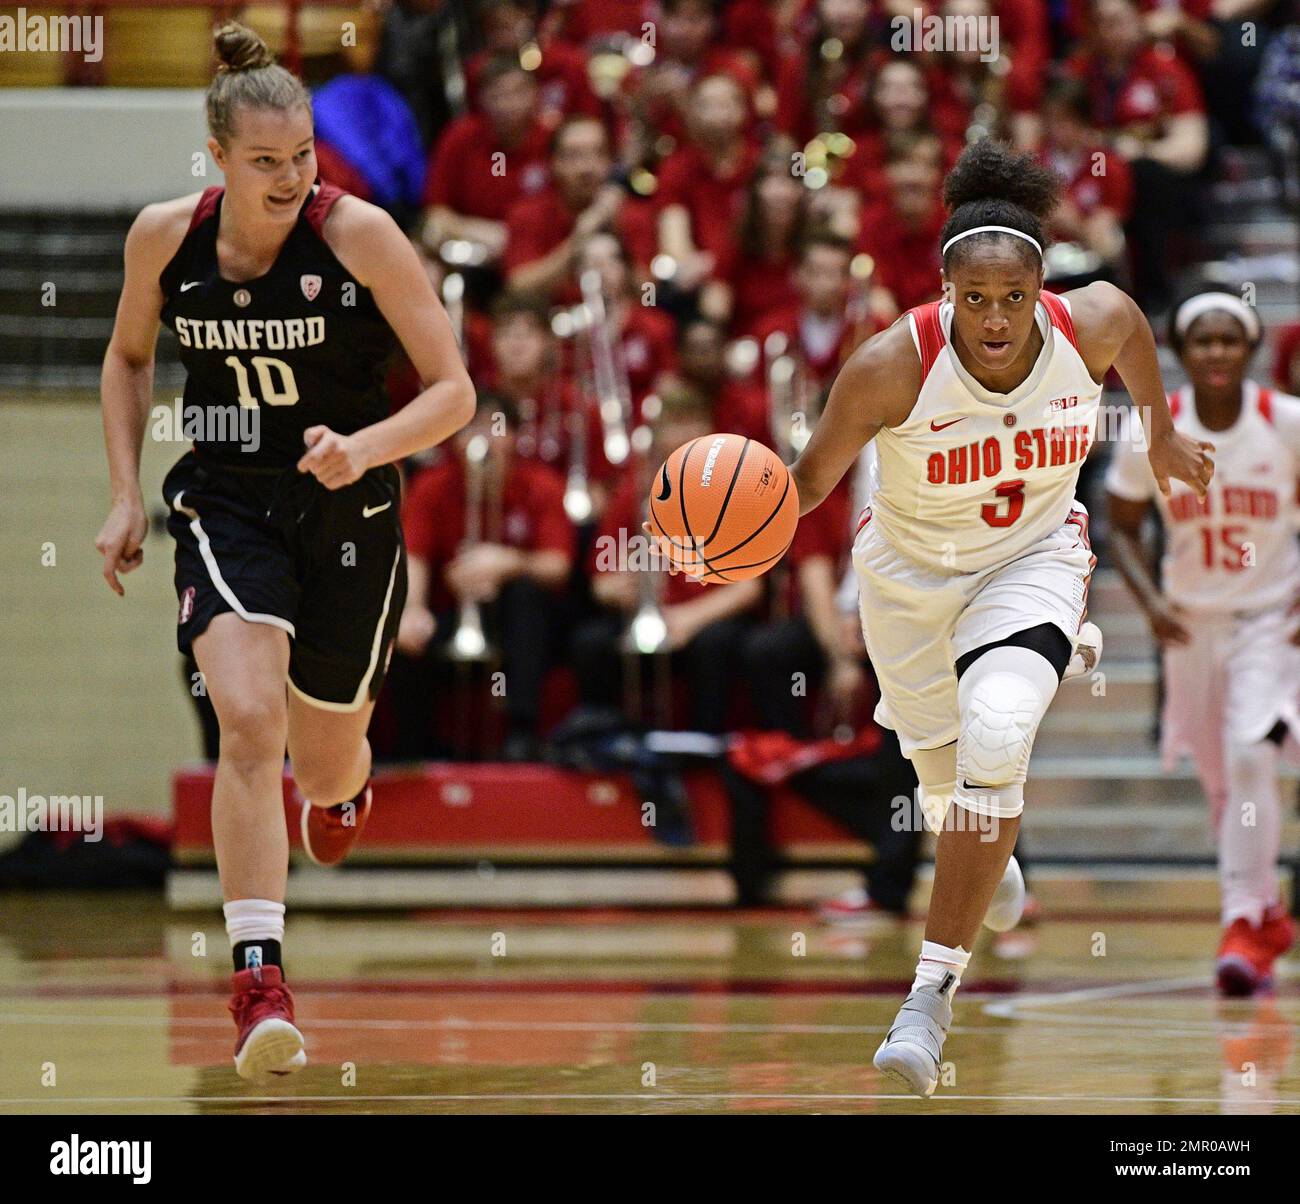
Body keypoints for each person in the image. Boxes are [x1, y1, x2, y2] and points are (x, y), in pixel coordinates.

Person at [786, 139, 1213, 1097]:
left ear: (1039, 290)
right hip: (910, 588)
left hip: (1034, 564)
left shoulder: (1091, 319)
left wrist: (1162, 433)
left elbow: (1138, 334)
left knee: (1001, 726)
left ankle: (928, 998)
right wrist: (724, 522)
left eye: (1012, 298)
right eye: (973, 299)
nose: (993, 319)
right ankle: (984, 856)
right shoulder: (891, 364)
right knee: (949, 783)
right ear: (944, 293)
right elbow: (808, 486)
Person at [93, 23, 474, 1081]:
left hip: (350, 514)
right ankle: (259, 978)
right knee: (247, 719)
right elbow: (127, 360)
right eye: (265, 161)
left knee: (323, 758)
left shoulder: (360, 235)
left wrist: (365, 446)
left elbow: (455, 391)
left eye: (301, 155)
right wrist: (126, 494)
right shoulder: (163, 240)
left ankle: (341, 787)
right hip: (227, 505)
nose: (289, 177)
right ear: (216, 157)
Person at [1105, 288, 1299, 995]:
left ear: (1249, 350)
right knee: (1223, 787)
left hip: (1269, 620)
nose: (1216, 351)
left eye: (1229, 339)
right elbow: (1120, 522)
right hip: (1190, 623)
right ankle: (1266, 915)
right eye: (1203, 341)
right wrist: (1151, 602)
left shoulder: (1286, 424)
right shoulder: (1153, 432)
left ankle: (1241, 923)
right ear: (1182, 354)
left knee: (1252, 756)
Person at [391, 394, 576, 761]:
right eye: (470, 429)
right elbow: (414, 556)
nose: (482, 441)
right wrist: (412, 610)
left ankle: (521, 735)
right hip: (453, 610)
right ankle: (412, 752)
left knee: (527, 597)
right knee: (404, 633)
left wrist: (508, 563)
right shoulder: (432, 485)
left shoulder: (542, 485)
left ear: (515, 437)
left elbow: (558, 566)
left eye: (495, 428)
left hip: (517, 619)